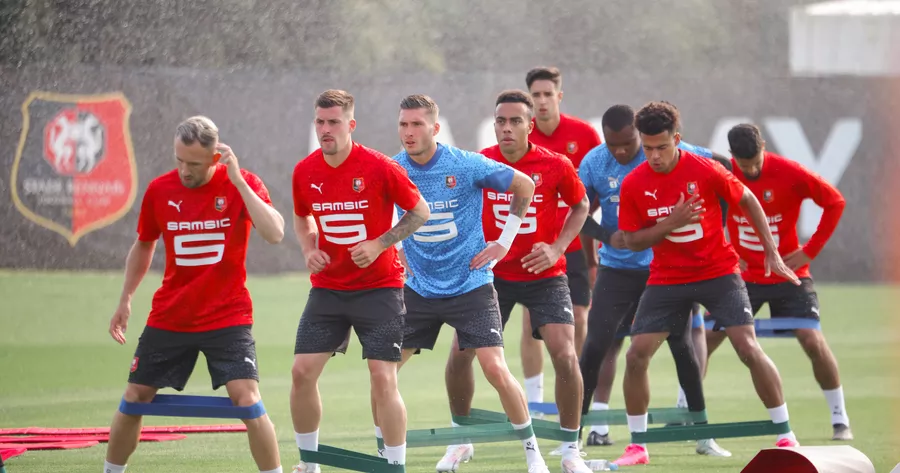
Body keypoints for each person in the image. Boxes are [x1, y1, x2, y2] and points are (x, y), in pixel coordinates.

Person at [613, 101, 800, 466]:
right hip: (667, 278)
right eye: (648, 148)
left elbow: (748, 199)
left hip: (718, 272)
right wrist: (671, 223)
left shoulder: (705, 169)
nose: (654, 156)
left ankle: (785, 434)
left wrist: (771, 251)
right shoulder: (634, 182)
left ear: (677, 139)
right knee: (636, 355)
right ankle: (637, 446)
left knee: (747, 347)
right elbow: (631, 240)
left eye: (661, 147)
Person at [372, 94, 550, 473]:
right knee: (382, 371)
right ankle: (386, 456)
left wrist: (504, 241)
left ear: (435, 128)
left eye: (417, 124)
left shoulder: (465, 164)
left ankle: (533, 455)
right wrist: (396, 250)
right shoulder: (392, 169)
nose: (408, 132)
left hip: (471, 284)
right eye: (403, 124)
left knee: (495, 369)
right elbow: (379, 212)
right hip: (420, 289)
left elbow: (524, 185)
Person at [104, 116, 286, 473]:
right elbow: (144, 244)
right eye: (180, 160)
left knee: (248, 401)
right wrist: (125, 298)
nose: (185, 170)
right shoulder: (160, 190)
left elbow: (275, 233)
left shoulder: (243, 183)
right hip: (171, 316)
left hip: (228, 316)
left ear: (216, 158)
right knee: (134, 398)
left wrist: (238, 182)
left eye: (195, 164)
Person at [443, 89, 593, 473]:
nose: (506, 127)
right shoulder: (480, 163)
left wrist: (558, 247)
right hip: (491, 277)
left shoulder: (555, 164)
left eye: (515, 121)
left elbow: (581, 205)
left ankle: (570, 450)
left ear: (530, 125)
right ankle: (461, 440)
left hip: (545, 276)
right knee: (460, 354)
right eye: (500, 121)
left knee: (565, 353)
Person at [576, 104, 731, 458]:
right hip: (616, 270)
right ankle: (574, 438)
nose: (620, 151)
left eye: (627, 144)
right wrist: (605, 235)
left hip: (663, 270)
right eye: (612, 144)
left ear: (640, 135)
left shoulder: (667, 149)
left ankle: (703, 435)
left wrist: (717, 227)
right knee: (595, 345)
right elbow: (577, 210)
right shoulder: (594, 162)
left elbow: (724, 167)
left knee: (682, 347)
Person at [290, 90, 431, 473]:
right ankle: (310, 463)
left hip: (380, 289)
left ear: (350, 125)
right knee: (301, 372)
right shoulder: (304, 171)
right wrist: (308, 248)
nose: (325, 129)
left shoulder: (380, 167)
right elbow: (302, 217)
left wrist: (381, 243)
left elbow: (420, 211)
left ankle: (395, 465)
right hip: (328, 289)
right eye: (320, 122)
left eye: (333, 122)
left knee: (383, 377)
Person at [706, 123, 852, 441]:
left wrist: (810, 250)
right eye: (744, 166)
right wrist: (729, 251)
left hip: (788, 273)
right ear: (732, 157)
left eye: (756, 163)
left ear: (763, 147)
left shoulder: (790, 172)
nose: (751, 170)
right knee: (706, 338)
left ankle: (840, 419)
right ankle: (687, 414)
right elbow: (705, 214)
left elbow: (835, 201)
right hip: (743, 276)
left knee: (811, 339)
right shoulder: (723, 173)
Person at [522, 67, 604, 416]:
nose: (542, 101)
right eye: (535, 95)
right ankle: (534, 404)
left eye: (547, 94)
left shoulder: (583, 134)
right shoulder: (522, 135)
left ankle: (576, 395)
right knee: (531, 322)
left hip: (573, 246)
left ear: (559, 96)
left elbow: (595, 188)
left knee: (579, 319)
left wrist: (579, 223)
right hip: (534, 248)